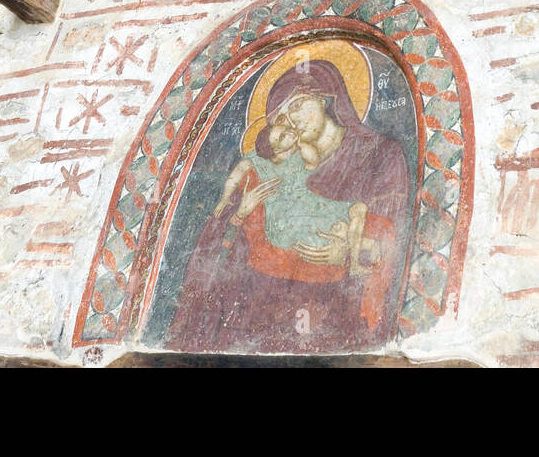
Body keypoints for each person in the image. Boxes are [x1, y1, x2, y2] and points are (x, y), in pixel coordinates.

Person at [164, 57, 411, 353]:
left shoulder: (381, 155)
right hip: (263, 308)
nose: (290, 120)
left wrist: (349, 253)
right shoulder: (271, 165)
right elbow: (225, 242)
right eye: (280, 118)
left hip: (338, 314)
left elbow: (392, 236)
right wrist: (241, 216)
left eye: (295, 106)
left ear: (325, 97)